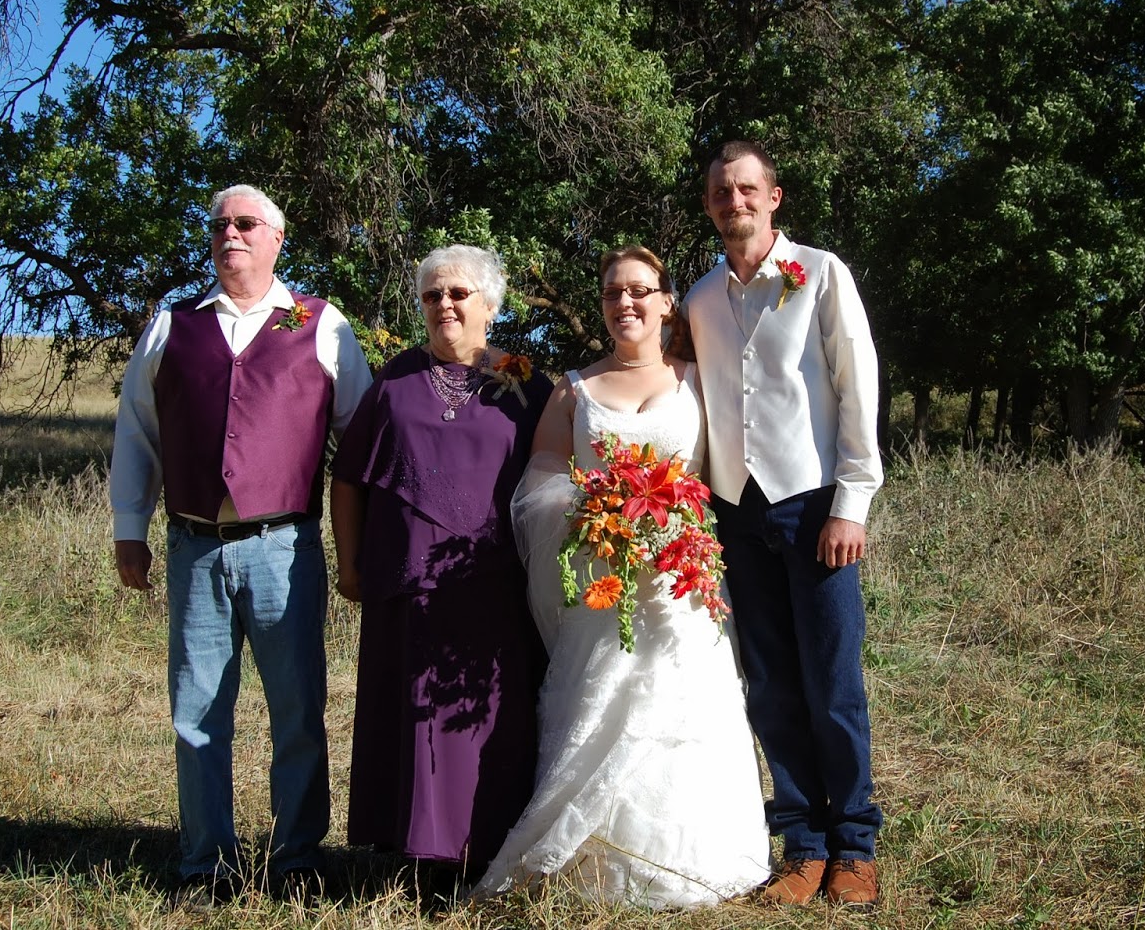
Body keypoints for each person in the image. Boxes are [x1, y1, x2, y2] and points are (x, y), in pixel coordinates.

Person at [476, 246, 769, 909]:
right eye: (613, 293)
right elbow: (541, 478)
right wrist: (597, 507)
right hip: (603, 579)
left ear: (668, 303)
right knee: (595, 705)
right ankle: (587, 865)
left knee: (681, 711)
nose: (625, 303)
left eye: (640, 291)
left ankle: (692, 860)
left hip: (681, 583)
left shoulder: (701, 379)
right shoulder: (573, 388)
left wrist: (672, 520)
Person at [110, 184, 372, 906]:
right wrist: (128, 530)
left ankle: (296, 861)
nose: (231, 233)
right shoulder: (173, 326)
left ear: (276, 237)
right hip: (194, 548)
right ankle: (206, 865)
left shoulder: (320, 324)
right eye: (221, 223)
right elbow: (137, 434)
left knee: (298, 711)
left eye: (246, 223)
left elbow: (364, 437)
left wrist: (364, 544)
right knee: (197, 712)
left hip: (286, 548)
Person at [685, 141, 885, 907]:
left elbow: (855, 384)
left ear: (774, 197)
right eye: (719, 192)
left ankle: (855, 844)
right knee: (769, 683)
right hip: (736, 511)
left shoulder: (821, 273)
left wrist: (852, 502)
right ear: (708, 205)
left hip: (813, 504)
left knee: (832, 680)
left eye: (745, 189)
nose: (732, 201)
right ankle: (801, 843)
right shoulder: (700, 298)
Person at [330, 245, 552, 896]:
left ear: (489, 304)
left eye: (457, 293)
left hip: (498, 583)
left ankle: (491, 848)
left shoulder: (520, 374)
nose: (444, 306)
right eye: (432, 295)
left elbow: (560, 463)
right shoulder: (395, 378)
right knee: (421, 719)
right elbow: (349, 477)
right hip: (409, 579)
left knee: (491, 718)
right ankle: (425, 854)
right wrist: (348, 562)